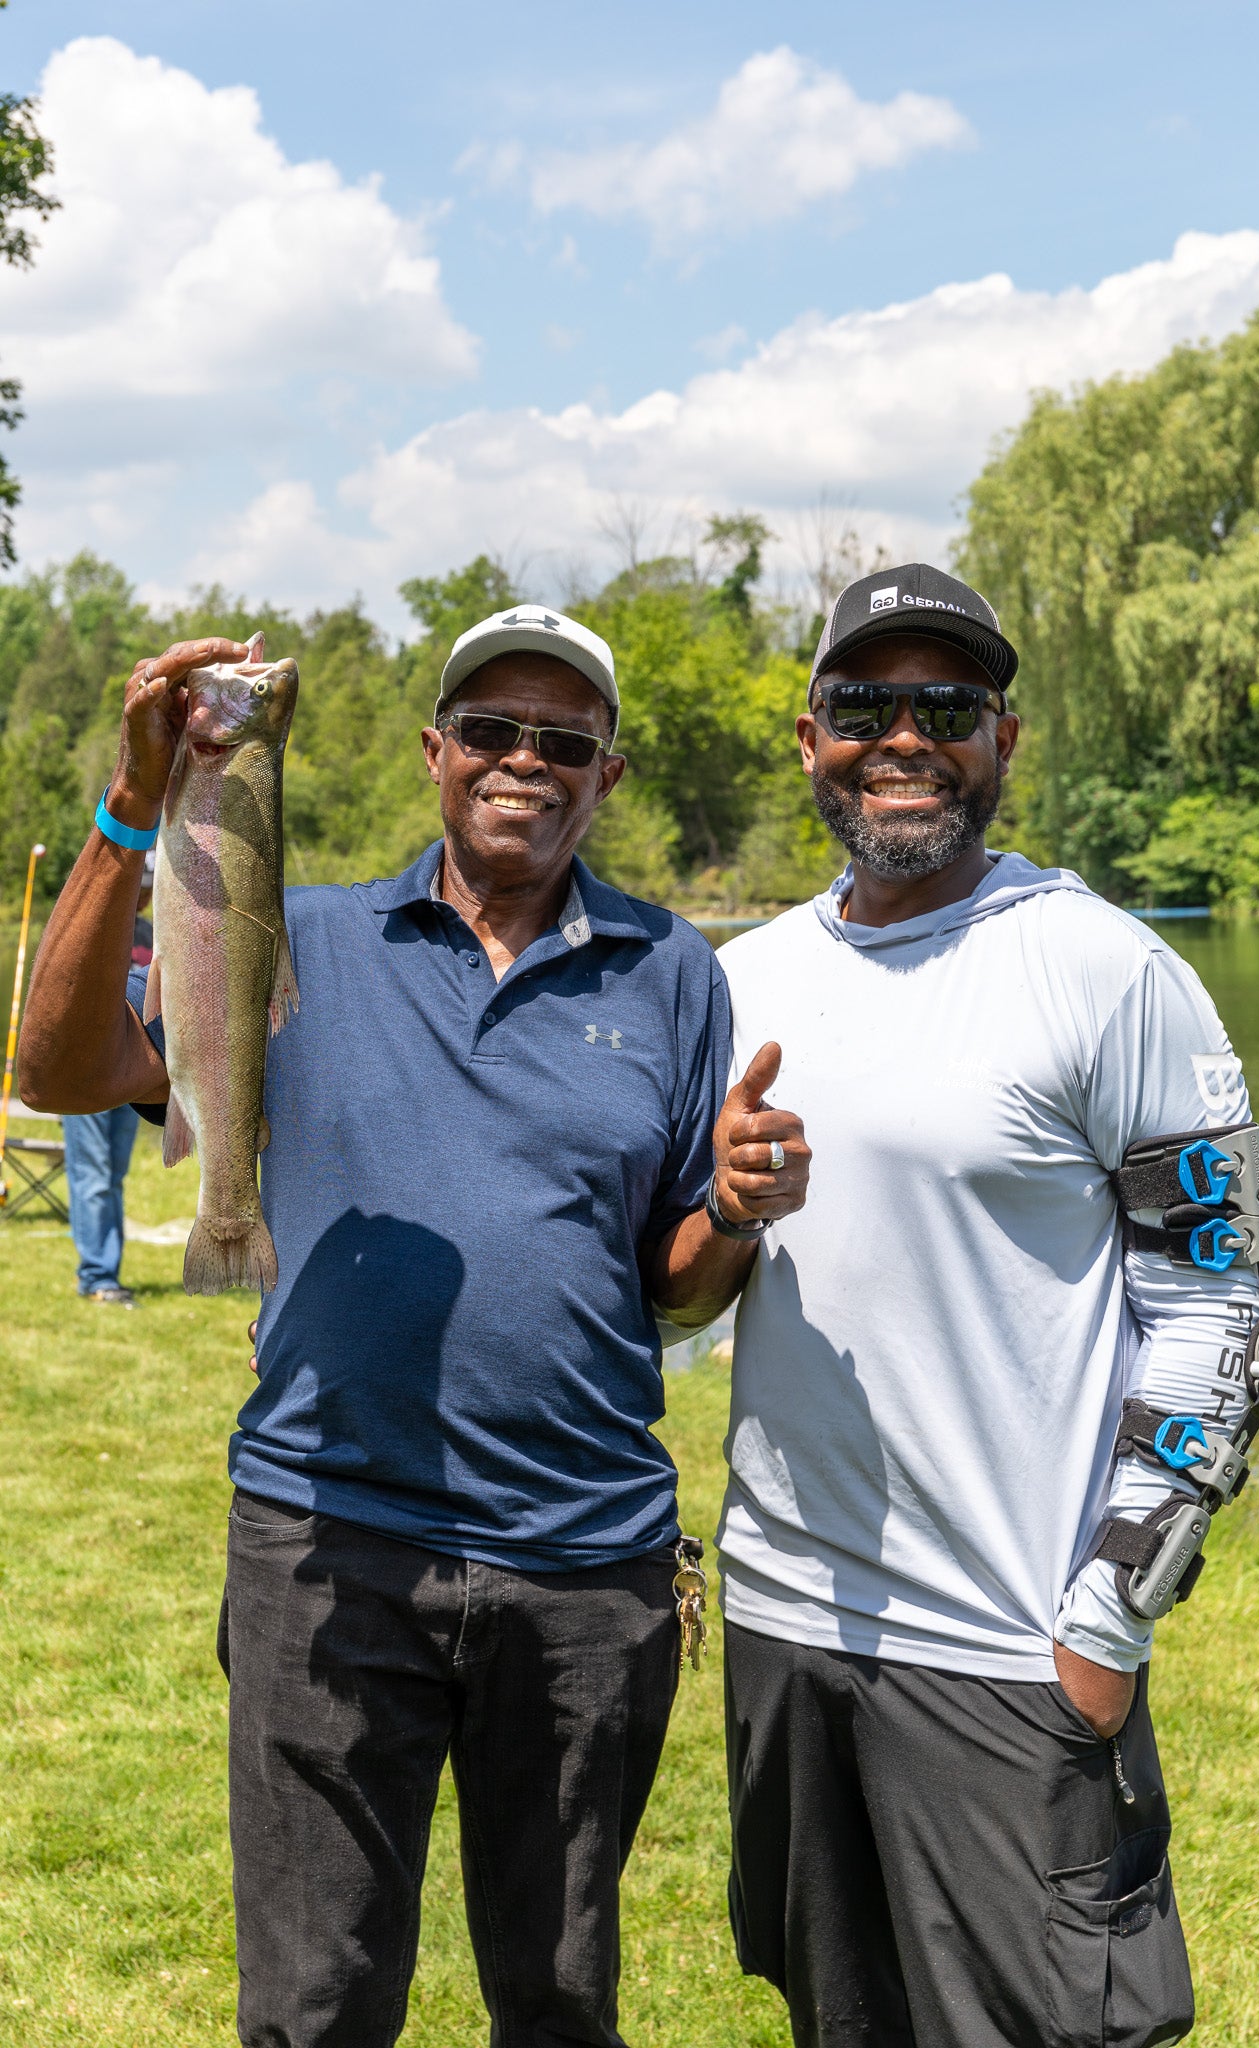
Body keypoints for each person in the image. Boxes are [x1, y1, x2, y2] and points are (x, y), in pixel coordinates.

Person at [18, 607, 810, 2048]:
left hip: (585, 1565)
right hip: (330, 1547)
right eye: (493, 731)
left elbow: (672, 1284)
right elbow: (57, 1064)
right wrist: (134, 806)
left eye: (563, 740)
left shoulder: (673, 970)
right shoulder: (287, 929)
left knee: (559, 2002)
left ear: (608, 774)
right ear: (435, 751)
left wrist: (740, 1207)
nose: (525, 761)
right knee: (316, 2009)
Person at [708, 561, 1259, 2048]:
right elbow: (677, 1305)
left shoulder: (1103, 970)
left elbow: (1229, 1313)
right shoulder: (737, 981)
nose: (903, 737)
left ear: (1003, 740)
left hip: (1005, 1649)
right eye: (863, 703)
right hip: (788, 1625)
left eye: (946, 705)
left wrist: (1108, 1617)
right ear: (808, 737)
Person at [60, 849, 155, 1307]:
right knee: (93, 1174)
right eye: (139, 882)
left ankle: (104, 1269)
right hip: (89, 1066)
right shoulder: (92, 924)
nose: (143, 893)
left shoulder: (155, 934)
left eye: (149, 887)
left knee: (114, 1171)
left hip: (134, 1072)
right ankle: (97, 1277)